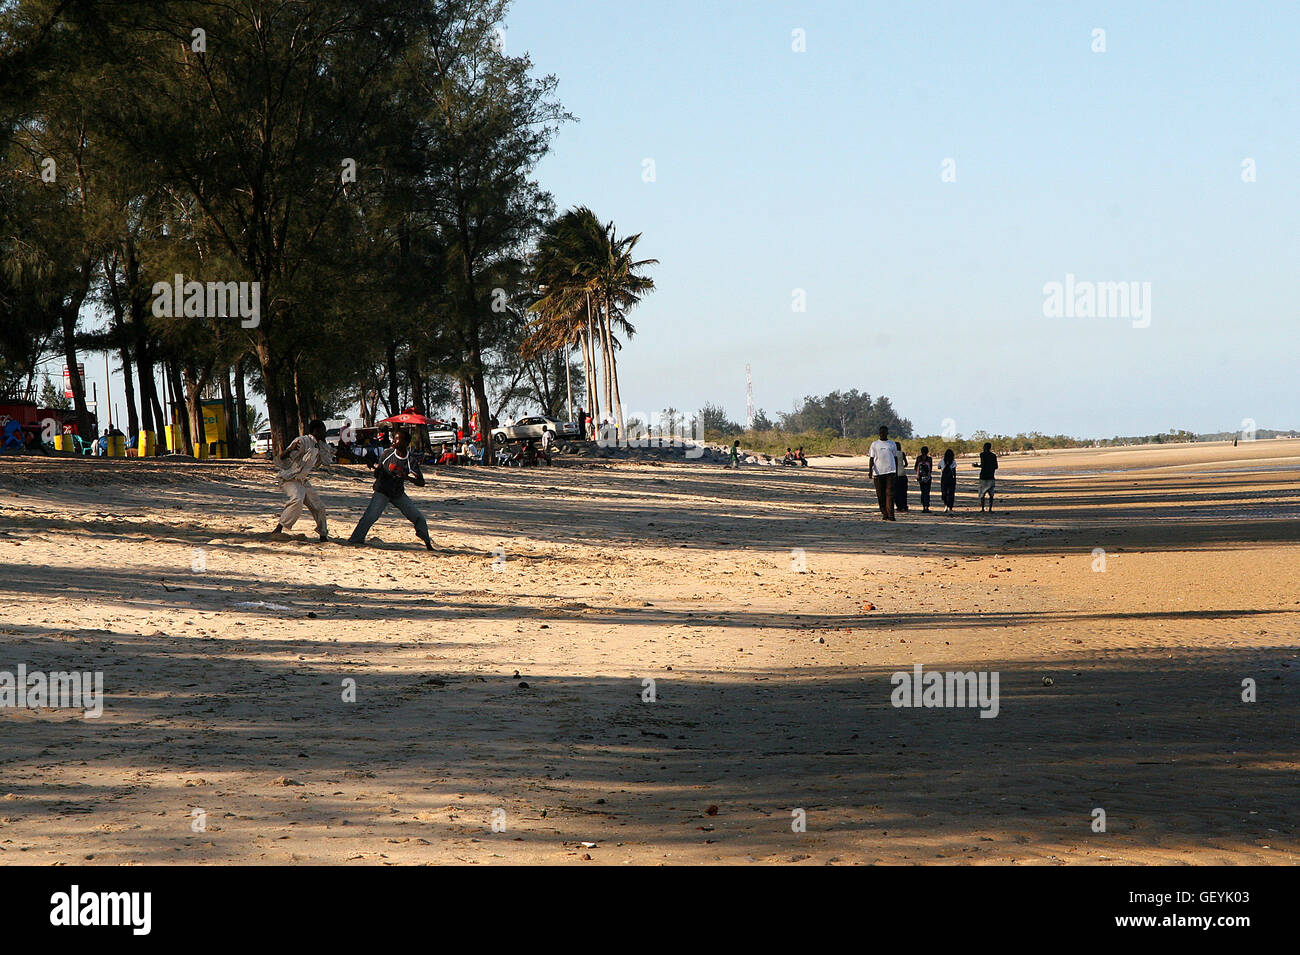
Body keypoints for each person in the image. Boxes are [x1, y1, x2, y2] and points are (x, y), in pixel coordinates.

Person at [348, 428, 433, 550]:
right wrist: (376, 470)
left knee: (418, 517)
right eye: (394, 437)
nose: (394, 440)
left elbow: (421, 482)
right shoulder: (387, 453)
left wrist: (406, 477)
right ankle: (355, 540)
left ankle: (428, 544)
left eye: (397, 439)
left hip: (397, 494)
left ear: (405, 443)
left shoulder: (411, 460)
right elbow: (377, 473)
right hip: (382, 491)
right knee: (370, 516)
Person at [272, 419, 333, 541]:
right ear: (316, 431)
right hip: (289, 478)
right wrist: (290, 449)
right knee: (297, 499)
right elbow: (282, 457)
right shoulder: (302, 441)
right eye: (323, 431)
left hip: (302, 480)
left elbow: (328, 460)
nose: (325, 433)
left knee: (319, 506)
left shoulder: (321, 445)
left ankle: (323, 535)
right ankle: (279, 528)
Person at [868, 426, 897, 521]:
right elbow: (871, 459)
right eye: (881, 432)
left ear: (887, 433)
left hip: (890, 472)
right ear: (879, 433)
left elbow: (895, 457)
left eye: (884, 432)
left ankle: (891, 515)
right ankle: (884, 513)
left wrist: (896, 470)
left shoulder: (892, 444)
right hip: (878, 473)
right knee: (880, 495)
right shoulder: (874, 444)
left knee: (890, 494)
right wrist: (870, 471)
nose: (883, 434)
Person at [973, 441, 998, 512]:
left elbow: (983, 465)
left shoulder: (982, 454)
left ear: (984, 448)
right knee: (991, 494)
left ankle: (983, 508)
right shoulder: (993, 455)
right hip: (991, 476)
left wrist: (977, 466)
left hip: (983, 476)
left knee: (982, 493)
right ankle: (990, 509)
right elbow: (996, 466)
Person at [915, 445, 933, 512]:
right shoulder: (929, 459)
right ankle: (927, 507)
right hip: (928, 478)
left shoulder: (919, 458)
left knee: (922, 492)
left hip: (920, 478)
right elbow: (930, 469)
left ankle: (923, 507)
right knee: (927, 492)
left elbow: (915, 468)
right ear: (927, 452)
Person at [893, 440, 909, 512]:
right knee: (903, 491)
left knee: (896, 492)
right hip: (903, 474)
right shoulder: (902, 453)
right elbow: (906, 463)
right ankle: (904, 506)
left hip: (896, 475)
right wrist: (902, 466)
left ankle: (899, 506)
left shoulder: (893, 454)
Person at [940, 448, 957, 513]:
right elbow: (954, 471)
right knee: (951, 493)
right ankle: (950, 507)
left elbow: (938, 467)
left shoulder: (942, 461)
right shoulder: (953, 462)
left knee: (944, 492)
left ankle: (945, 505)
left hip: (943, 479)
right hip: (951, 479)